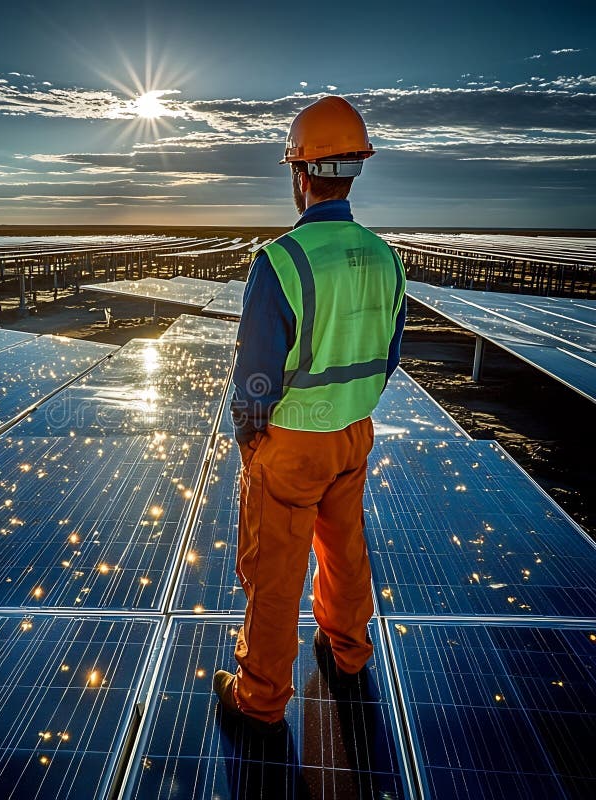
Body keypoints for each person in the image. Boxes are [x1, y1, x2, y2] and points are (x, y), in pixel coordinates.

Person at [213, 95, 406, 733]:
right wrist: (348, 409)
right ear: (353, 171)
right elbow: (389, 355)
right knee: (345, 550)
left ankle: (261, 697)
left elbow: (256, 376)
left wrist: (250, 439)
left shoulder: (282, 262)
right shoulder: (384, 257)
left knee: (273, 572)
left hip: (291, 443)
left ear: (300, 174)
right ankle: (348, 651)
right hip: (353, 435)